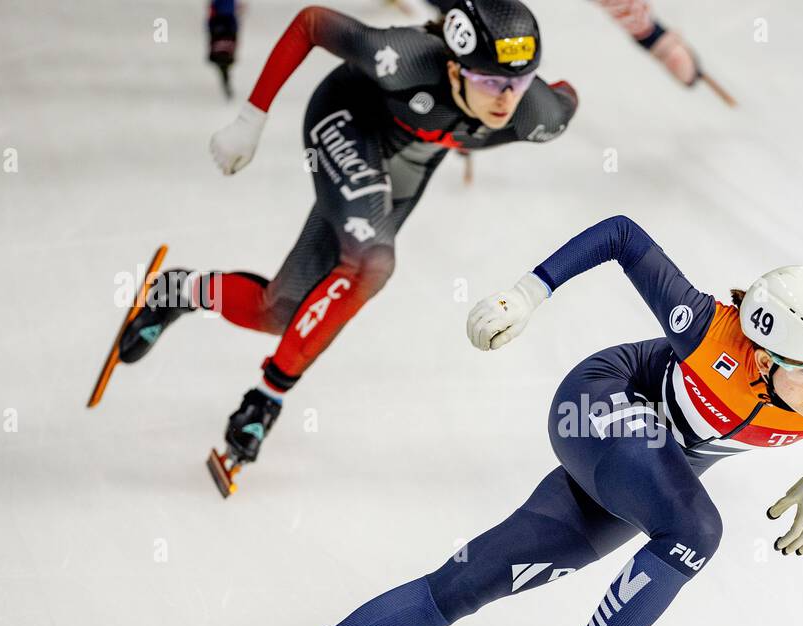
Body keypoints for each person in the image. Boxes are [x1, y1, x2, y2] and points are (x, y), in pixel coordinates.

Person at [206, 215, 803, 626]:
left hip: (638, 476)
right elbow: (623, 235)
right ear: (759, 350)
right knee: (696, 528)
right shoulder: (704, 328)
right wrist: (527, 293)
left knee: (464, 584)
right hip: (600, 404)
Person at [117, 3, 577, 487]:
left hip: (406, 160)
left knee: (280, 313)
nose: (505, 99)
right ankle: (266, 398)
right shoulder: (400, 57)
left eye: (519, 83)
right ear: (452, 67)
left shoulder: (540, 114)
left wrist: (528, 91)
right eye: (489, 82)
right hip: (346, 120)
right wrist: (251, 120)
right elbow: (312, 23)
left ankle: (180, 291)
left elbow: (567, 97)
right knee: (373, 261)